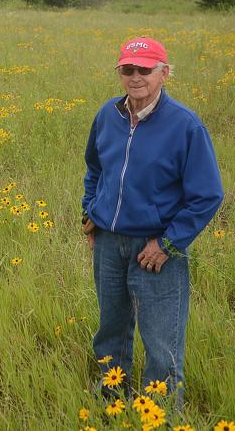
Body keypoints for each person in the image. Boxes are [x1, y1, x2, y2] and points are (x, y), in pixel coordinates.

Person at [81, 37, 224, 405]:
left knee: (162, 342)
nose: (135, 77)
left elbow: (207, 195)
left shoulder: (185, 126)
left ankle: (160, 414)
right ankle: (111, 401)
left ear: (164, 73)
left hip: (155, 247)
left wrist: (167, 244)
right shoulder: (107, 115)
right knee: (111, 330)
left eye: (145, 69)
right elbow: (95, 168)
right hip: (110, 243)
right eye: (127, 69)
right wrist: (90, 211)